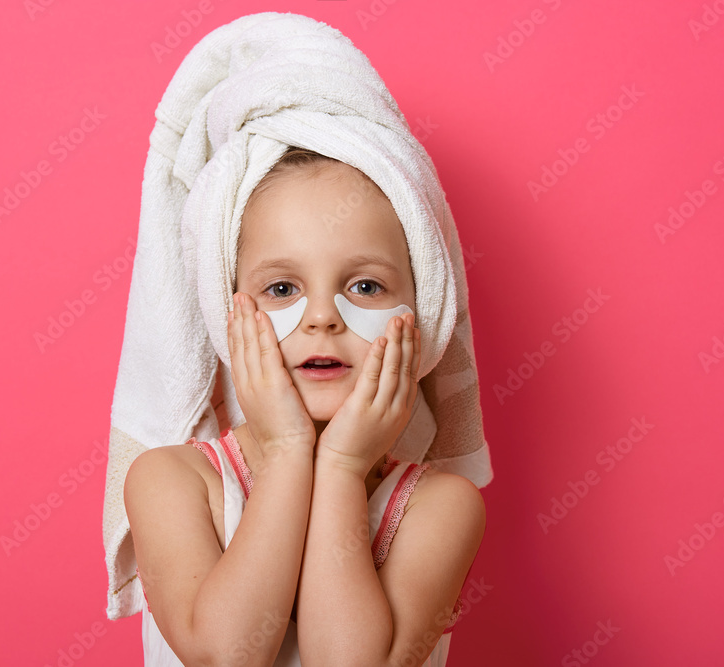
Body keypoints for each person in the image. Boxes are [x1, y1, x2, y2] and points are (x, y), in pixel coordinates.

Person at [123, 147, 487, 666]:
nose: (321, 317)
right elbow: (226, 658)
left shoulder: (440, 508)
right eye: (282, 287)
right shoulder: (171, 480)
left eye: (365, 286)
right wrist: (289, 449)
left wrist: (340, 466)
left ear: (423, 308)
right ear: (227, 313)